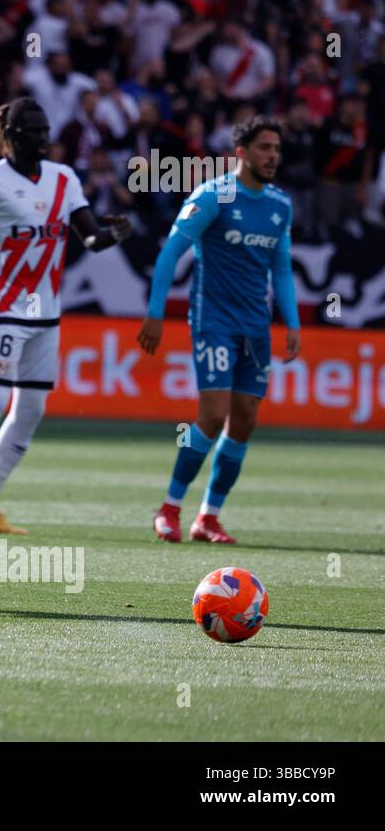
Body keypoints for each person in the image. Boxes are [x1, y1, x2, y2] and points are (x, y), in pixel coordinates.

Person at [0, 98, 131, 535]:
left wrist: (113, 234)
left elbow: (88, 238)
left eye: (47, 129)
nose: (45, 137)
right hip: (1, 311)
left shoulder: (64, 179)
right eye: (36, 131)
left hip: (47, 317)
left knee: (31, 410)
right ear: (13, 136)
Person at [138, 115, 299, 544]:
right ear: (241, 152)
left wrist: (293, 322)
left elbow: (281, 268)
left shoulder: (280, 205)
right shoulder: (214, 194)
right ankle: (169, 507)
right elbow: (172, 252)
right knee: (213, 414)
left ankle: (208, 517)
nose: (273, 156)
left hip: (256, 328)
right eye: (265, 148)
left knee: (244, 420)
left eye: (277, 149)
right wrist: (155, 313)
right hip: (213, 321)